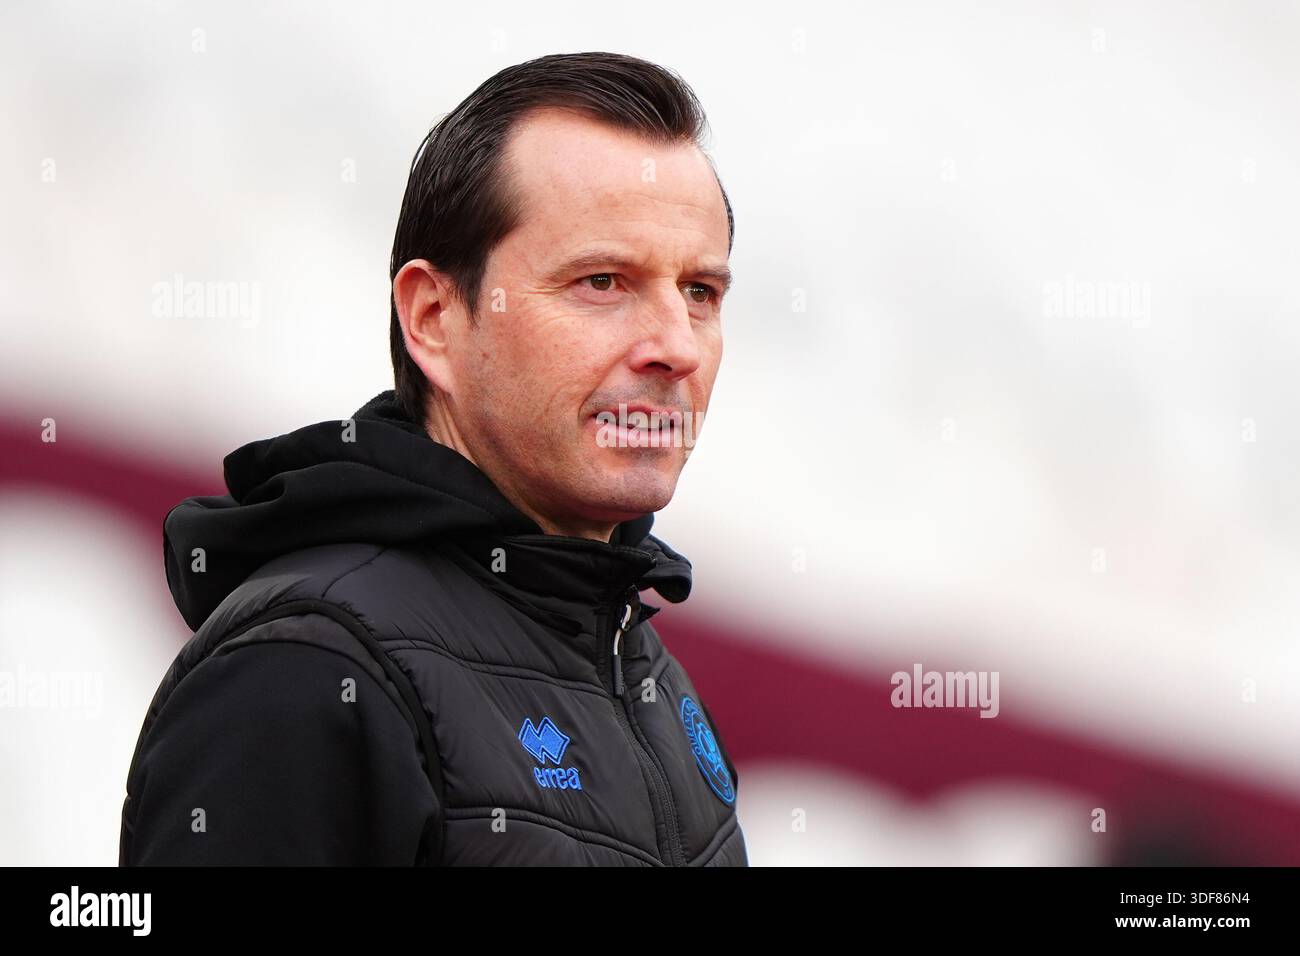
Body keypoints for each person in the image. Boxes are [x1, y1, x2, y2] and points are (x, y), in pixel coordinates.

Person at [119, 51, 746, 866]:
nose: (675, 347)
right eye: (601, 281)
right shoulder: (303, 675)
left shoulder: (638, 665)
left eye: (700, 292)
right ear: (434, 319)